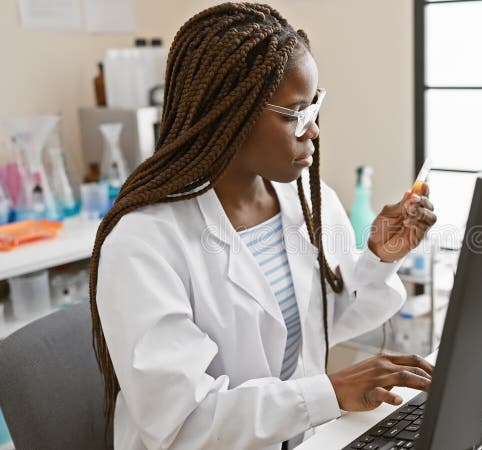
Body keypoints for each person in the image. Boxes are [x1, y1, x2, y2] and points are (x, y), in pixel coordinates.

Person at [91, 3, 437, 449]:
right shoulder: (144, 242)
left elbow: (318, 323)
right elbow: (183, 421)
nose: (311, 130)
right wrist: (331, 392)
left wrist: (377, 259)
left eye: (314, 107)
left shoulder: (303, 200)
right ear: (229, 112)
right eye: (294, 113)